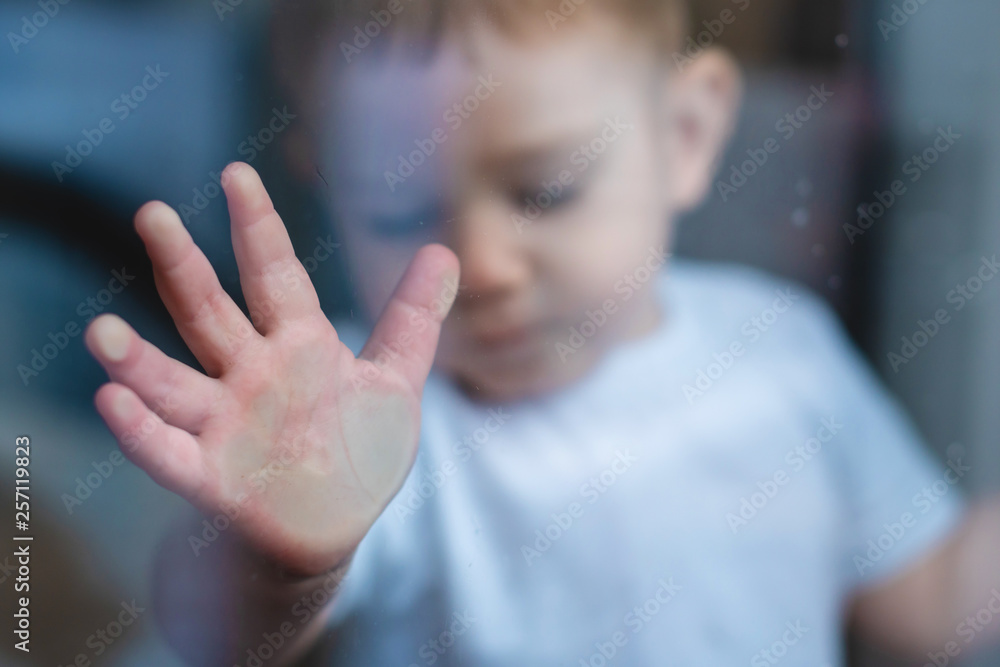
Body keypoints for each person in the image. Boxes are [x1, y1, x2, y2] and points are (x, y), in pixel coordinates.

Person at [83, 0, 1000, 664]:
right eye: (401, 213)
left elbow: (925, 609)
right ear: (330, 191)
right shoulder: (377, 421)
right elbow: (217, 635)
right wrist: (277, 555)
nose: (481, 266)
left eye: (546, 192)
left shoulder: (785, 352)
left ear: (683, 134)